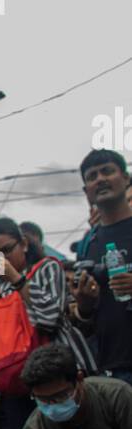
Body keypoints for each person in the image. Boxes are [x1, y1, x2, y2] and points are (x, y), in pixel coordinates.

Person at [0, 216, 96, 429]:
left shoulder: (47, 268)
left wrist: (14, 277)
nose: (0, 259)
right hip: (18, 388)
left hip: (62, 382)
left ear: (24, 243)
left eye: (6, 251)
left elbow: (50, 317)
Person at [71, 149, 132, 386]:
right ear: (87, 192)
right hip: (110, 367)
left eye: (107, 171)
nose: (100, 179)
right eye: (92, 176)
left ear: (125, 179)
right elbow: (85, 317)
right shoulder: (88, 243)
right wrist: (84, 305)